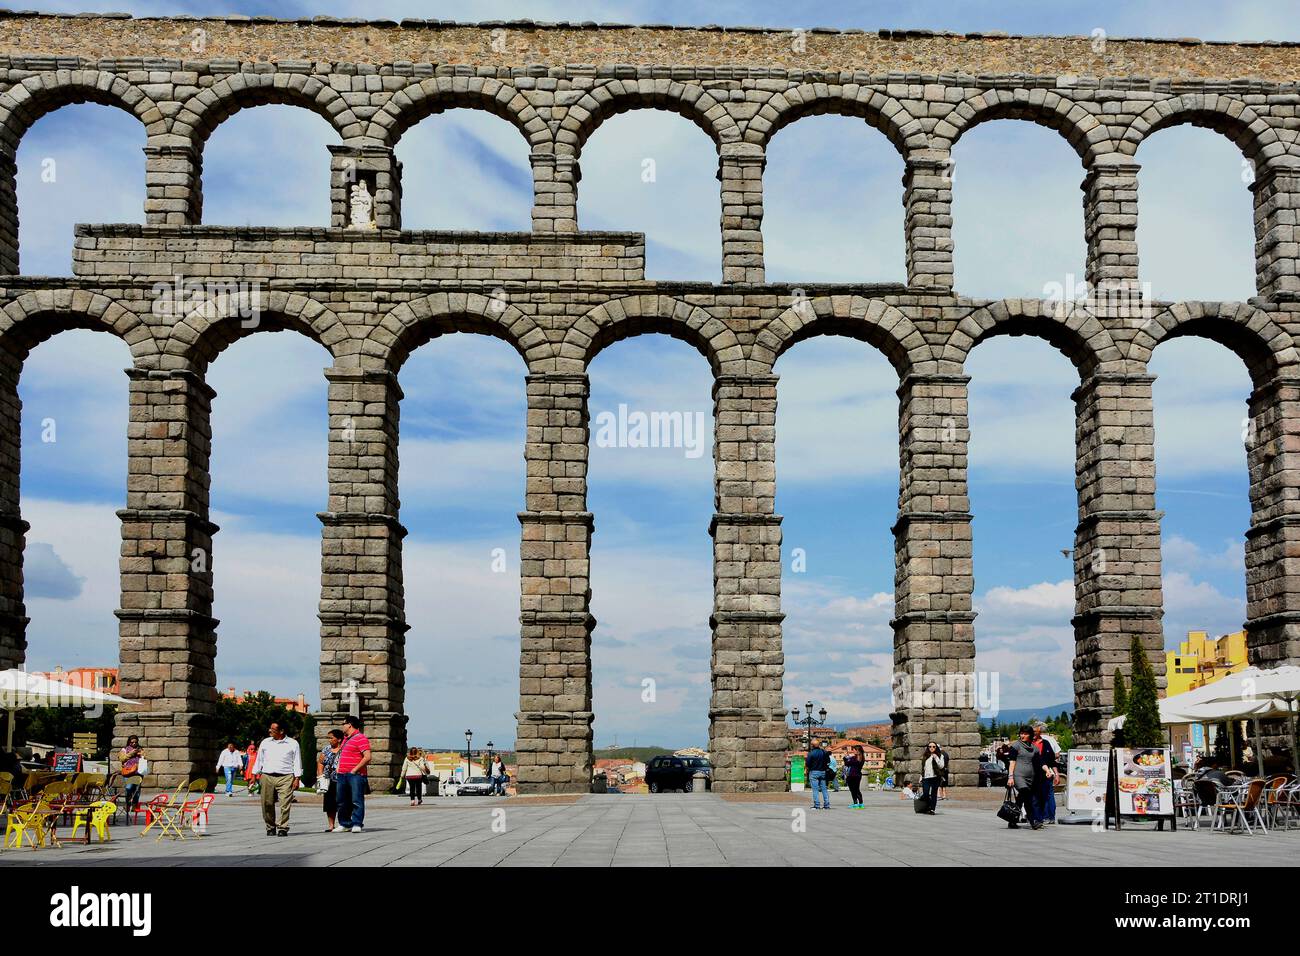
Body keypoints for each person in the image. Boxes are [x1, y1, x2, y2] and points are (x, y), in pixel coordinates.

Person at [251, 720, 303, 837]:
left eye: (273, 730)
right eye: (270, 729)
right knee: (267, 803)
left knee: (285, 804)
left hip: (286, 777)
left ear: (281, 731)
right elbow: (259, 760)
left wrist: (297, 778)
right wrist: (254, 775)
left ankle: (283, 827)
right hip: (267, 776)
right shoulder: (265, 742)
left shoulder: (293, 743)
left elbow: (297, 761)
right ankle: (270, 826)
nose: (270, 731)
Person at [1006, 725, 1051, 830]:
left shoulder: (1033, 748)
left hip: (1030, 778)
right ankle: (1033, 821)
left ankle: (1012, 821)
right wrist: (1010, 777)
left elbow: (1040, 762)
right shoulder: (1016, 746)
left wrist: (1047, 770)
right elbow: (1012, 762)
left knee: (1021, 798)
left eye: (1025, 734)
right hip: (1018, 776)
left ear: (1030, 735)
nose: (1023, 735)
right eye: (1021, 733)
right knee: (1027, 797)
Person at [335, 715, 371, 833]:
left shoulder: (361, 738)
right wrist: (339, 767)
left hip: (355, 775)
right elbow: (342, 755)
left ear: (349, 724)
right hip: (342, 774)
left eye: (343, 723)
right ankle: (344, 823)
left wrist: (354, 770)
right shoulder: (345, 739)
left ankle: (357, 823)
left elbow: (367, 757)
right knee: (342, 800)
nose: (342, 726)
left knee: (356, 800)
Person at [317, 729, 344, 831]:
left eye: (331, 738)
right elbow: (320, 762)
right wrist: (320, 775)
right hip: (328, 779)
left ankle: (343, 823)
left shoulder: (344, 749)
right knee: (329, 803)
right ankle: (331, 825)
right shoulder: (326, 749)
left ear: (339, 739)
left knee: (342, 802)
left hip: (341, 779)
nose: (329, 740)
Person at [1032, 723, 1058, 825]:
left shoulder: (1046, 743)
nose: (1034, 734)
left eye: (1036, 732)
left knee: (1049, 795)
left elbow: (1052, 760)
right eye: (1033, 732)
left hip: (1047, 774)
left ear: (1040, 733)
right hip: (1034, 775)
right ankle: (1039, 816)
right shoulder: (1029, 744)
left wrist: (1056, 773)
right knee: (1038, 796)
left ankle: (1050, 816)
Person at [118, 735, 145, 814]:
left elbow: (145, 757)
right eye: (132, 742)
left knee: (137, 790)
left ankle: (134, 804)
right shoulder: (124, 749)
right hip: (128, 772)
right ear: (129, 742)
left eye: (135, 742)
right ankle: (128, 804)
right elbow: (122, 758)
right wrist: (131, 753)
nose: (134, 743)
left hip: (138, 772)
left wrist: (142, 755)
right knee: (129, 788)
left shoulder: (140, 749)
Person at [920, 741, 946, 814]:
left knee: (934, 794)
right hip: (926, 777)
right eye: (930, 746)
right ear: (928, 748)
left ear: (936, 747)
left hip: (935, 777)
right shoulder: (925, 756)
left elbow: (941, 766)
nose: (932, 748)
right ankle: (928, 806)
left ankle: (932, 809)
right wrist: (921, 776)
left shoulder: (940, 755)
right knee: (925, 794)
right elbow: (924, 768)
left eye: (933, 746)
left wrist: (936, 758)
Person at [805, 739, 831, 810]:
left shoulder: (811, 753)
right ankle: (826, 805)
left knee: (815, 790)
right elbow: (828, 761)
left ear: (812, 745)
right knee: (824, 789)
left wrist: (807, 770)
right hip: (823, 772)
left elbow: (807, 764)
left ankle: (817, 805)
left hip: (814, 772)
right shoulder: (824, 752)